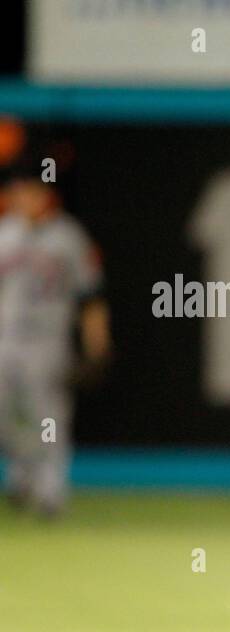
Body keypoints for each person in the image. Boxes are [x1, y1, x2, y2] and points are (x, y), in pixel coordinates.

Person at [0, 157, 110, 518]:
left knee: (49, 417)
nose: (22, 196)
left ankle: (51, 490)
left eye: (29, 190)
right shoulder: (4, 233)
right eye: (17, 190)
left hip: (48, 340)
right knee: (6, 413)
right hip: (6, 337)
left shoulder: (68, 237)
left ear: (44, 193)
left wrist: (98, 344)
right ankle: (23, 474)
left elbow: (91, 294)